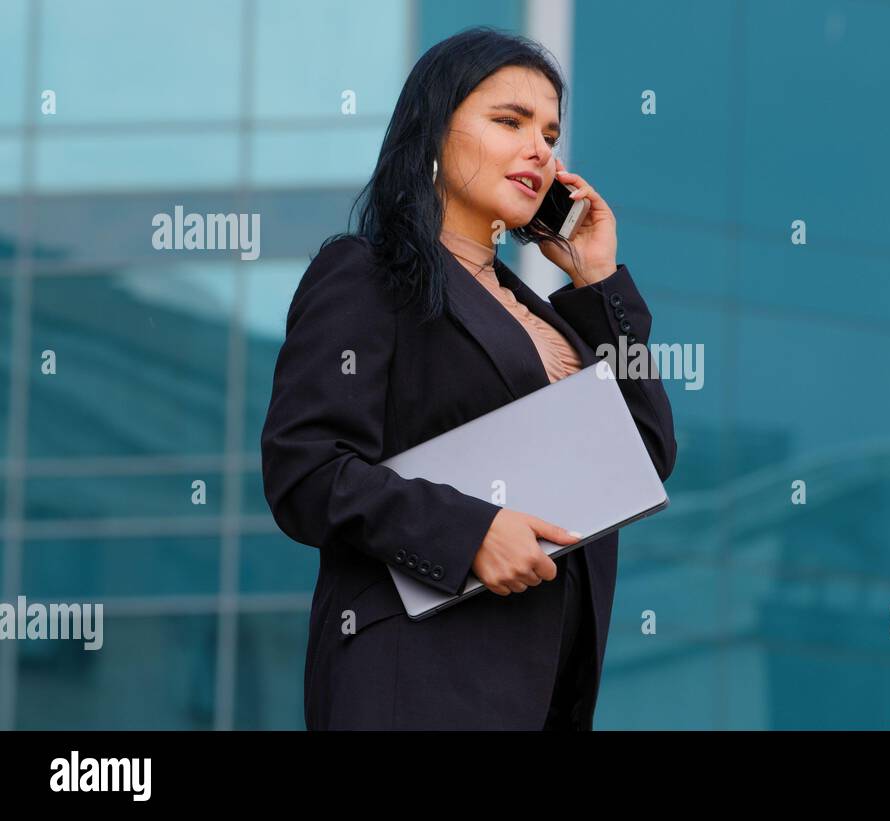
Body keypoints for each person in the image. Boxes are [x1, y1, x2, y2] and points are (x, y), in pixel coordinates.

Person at [259, 26, 676, 730]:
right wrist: (470, 532)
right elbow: (305, 468)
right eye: (509, 121)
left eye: (549, 132)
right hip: (414, 682)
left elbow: (641, 454)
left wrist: (599, 280)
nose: (539, 148)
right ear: (432, 133)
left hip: (538, 693)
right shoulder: (367, 274)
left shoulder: (548, 314)